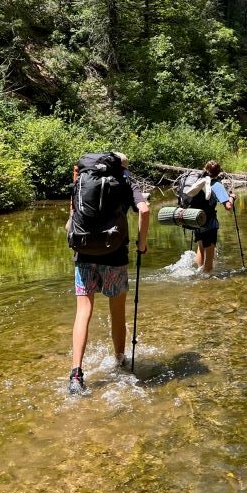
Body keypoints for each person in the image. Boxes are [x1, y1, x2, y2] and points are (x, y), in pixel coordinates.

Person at [66, 152, 149, 394]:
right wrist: (141, 243)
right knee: (117, 313)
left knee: (83, 312)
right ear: (124, 169)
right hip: (114, 257)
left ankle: (76, 373)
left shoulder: (81, 183)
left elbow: (69, 222)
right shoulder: (125, 184)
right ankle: (120, 362)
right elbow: (143, 211)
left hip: (83, 255)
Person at [193, 159, 234, 274]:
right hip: (209, 224)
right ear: (218, 172)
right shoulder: (216, 184)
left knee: (201, 249)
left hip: (196, 221)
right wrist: (232, 198)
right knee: (209, 261)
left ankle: (198, 273)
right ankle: (206, 283)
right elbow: (228, 206)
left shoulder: (198, 182)